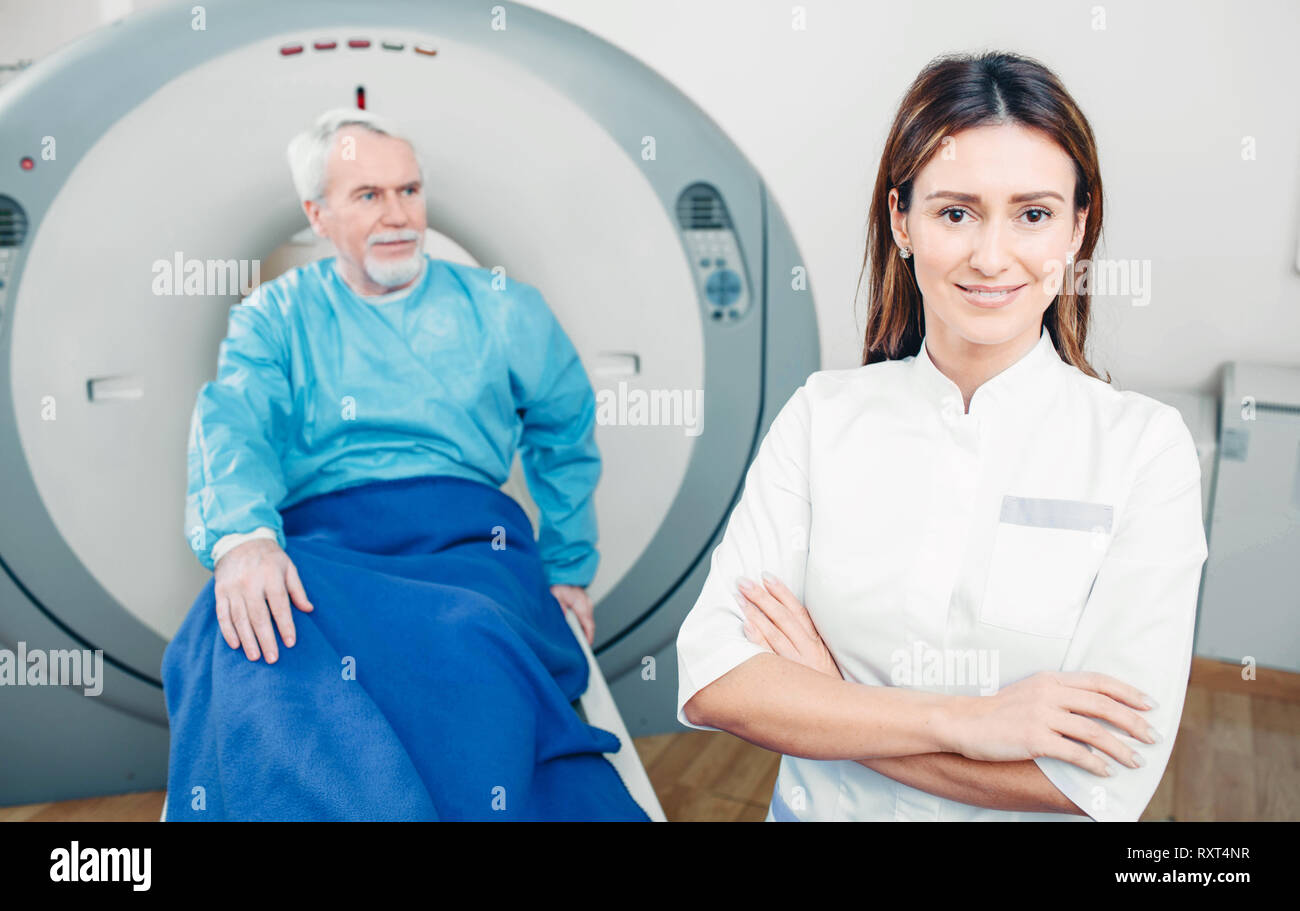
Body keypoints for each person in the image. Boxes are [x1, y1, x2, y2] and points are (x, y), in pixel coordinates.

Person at [675, 51, 1208, 822]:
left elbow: (1098, 779)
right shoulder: (821, 416)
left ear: (1077, 226)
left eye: (1033, 214)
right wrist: (965, 722)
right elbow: (716, 679)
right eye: (955, 212)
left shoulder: (1144, 451)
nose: (992, 257)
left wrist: (832, 702)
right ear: (902, 220)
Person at [163, 108, 647, 821]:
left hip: (467, 540)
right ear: (317, 215)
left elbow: (564, 425)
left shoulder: (502, 308)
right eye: (368, 195)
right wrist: (244, 540)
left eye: (409, 190)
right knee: (240, 629)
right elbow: (233, 423)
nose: (399, 215)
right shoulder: (275, 316)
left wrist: (568, 566)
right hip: (321, 544)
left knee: (470, 631)